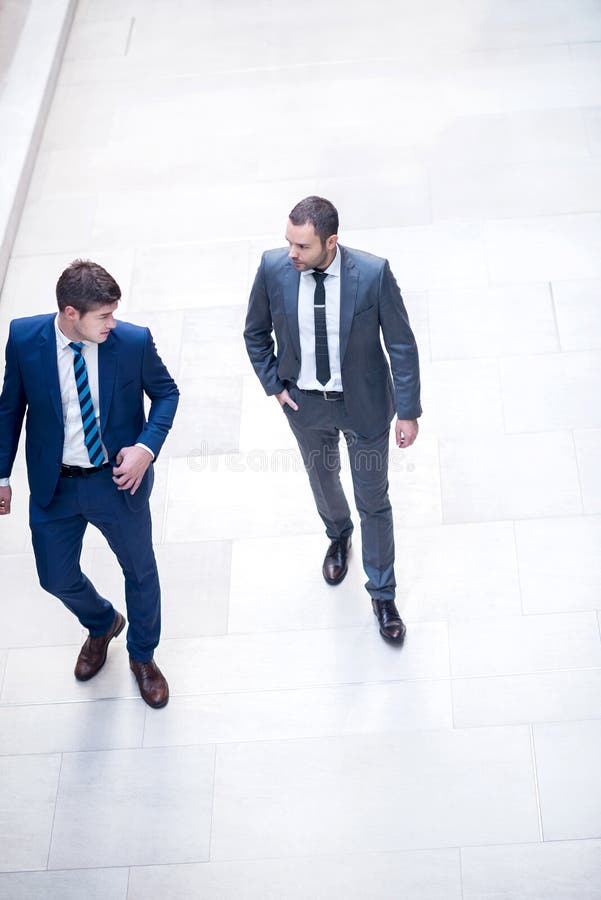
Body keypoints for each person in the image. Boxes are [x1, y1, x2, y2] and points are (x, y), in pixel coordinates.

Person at [0, 260, 179, 706]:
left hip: (117, 482)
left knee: (139, 570)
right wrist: (1, 475)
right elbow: (9, 411)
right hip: (54, 485)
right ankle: (102, 622)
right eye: (103, 316)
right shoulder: (25, 340)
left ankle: (142, 656)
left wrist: (146, 447)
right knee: (54, 576)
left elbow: (167, 394)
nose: (112, 324)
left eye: (114, 313)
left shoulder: (132, 342)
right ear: (69, 313)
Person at [244, 196, 421, 643]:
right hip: (305, 404)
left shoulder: (373, 274)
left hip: (363, 406)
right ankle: (338, 535)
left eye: (302, 246)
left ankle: (382, 594)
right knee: (322, 479)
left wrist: (409, 411)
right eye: (288, 242)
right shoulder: (273, 269)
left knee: (374, 499)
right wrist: (276, 388)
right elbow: (255, 332)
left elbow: (401, 345)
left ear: (331, 242)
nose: (292, 254)